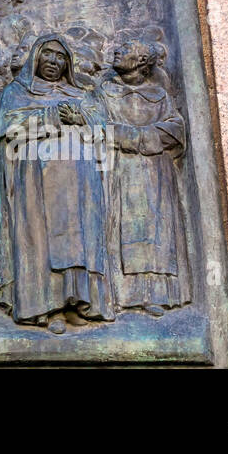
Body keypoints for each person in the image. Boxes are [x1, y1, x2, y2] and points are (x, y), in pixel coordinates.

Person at [0, 33, 113, 333]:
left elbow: (103, 130)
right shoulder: (17, 92)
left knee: (78, 239)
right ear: (36, 57)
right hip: (35, 178)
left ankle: (81, 301)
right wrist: (50, 116)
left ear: (68, 63)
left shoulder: (82, 94)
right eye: (48, 55)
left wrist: (80, 118)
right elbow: (5, 131)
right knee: (40, 239)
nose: (54, 62)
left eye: (60, 57)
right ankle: (47, 307)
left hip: (79, 180)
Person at [97, 36, 190, 316]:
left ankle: (155, 294)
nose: (116, 50)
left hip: (154, 173)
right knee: (116, 229)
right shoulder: (103, 93)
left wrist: (135, 136)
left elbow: (176, 129)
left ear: (140, 61)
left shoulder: (159, 96)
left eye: (125, 49)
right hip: (116, 171)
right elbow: (95, 126)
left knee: (154, 231)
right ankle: (117, 294)